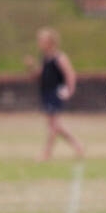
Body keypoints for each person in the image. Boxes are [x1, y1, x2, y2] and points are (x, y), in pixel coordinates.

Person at [24, 28, 83, 160]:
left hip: (56, 93)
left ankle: (47, 153)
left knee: (53, 125)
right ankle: (78, 145)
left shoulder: (60, 57)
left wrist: (70, 90)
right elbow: (38, 75)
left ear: (51, 42)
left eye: (42, 40)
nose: (39, 43)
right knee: (55, 126)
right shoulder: (45, 58)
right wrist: (31, 66)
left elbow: (70, 74)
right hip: (46, 93)